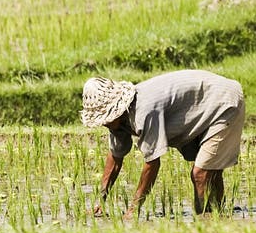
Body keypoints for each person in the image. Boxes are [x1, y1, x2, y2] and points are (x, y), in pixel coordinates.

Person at [81, 69, 245, 217]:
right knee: (210, 172)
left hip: (222, 102)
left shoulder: (144, 111)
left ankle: (206, 219)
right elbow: (115, 158)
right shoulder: (117, 121)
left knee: (201, 173)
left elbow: (152, 162)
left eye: (105, 118)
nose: (104, 123)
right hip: (205, 103)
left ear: (116, 110)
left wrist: (134, 209)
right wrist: (100, 200)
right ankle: (217, 214)